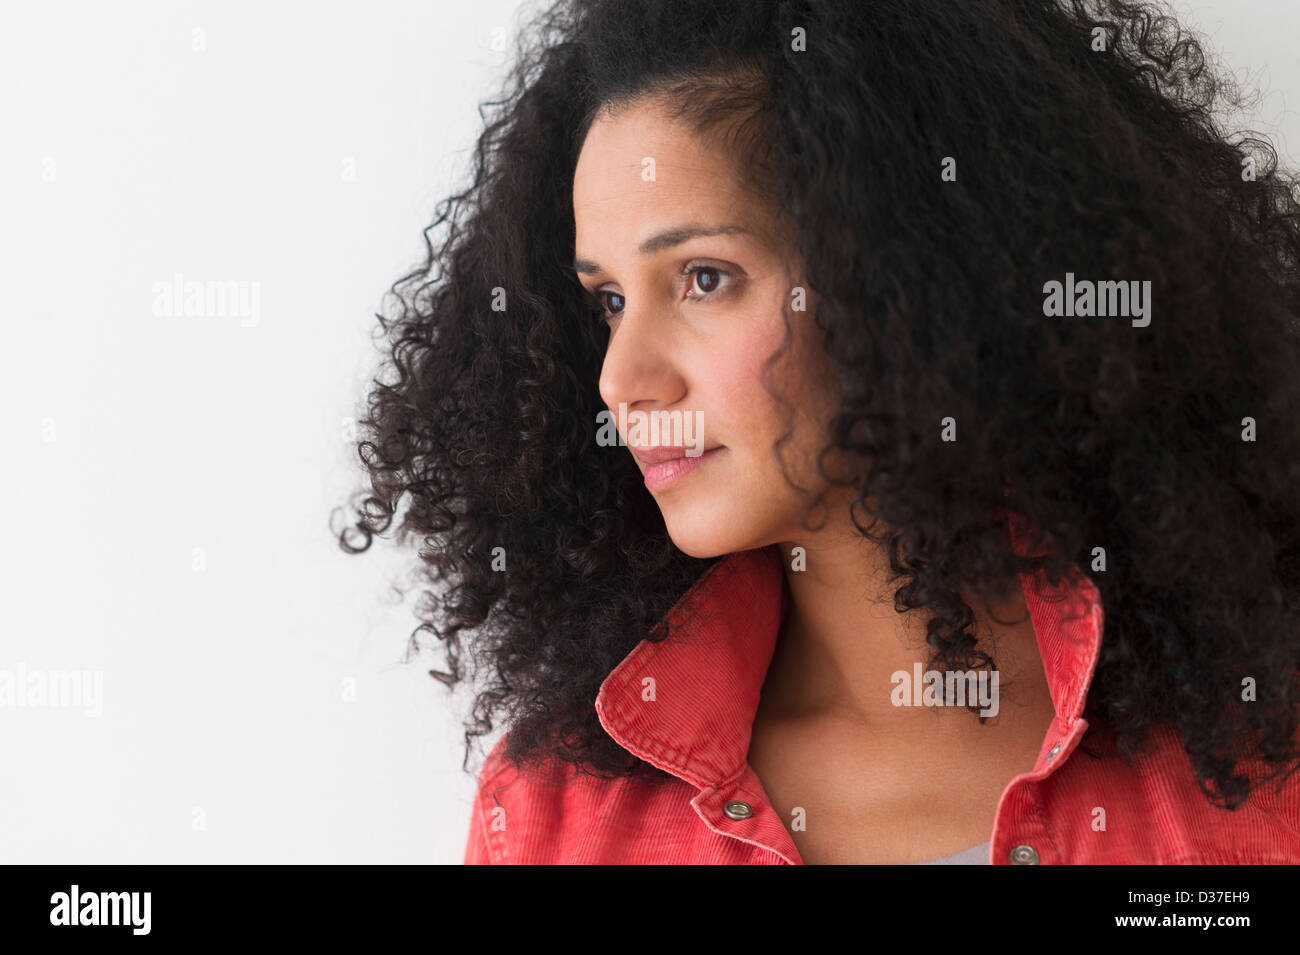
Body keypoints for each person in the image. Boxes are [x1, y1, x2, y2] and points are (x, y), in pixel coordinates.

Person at [337, 0, 1300, 863]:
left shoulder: (1258, 747)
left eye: (704, 278)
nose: (621, 379)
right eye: (609, 301)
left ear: (907, 275)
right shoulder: (558, 813)